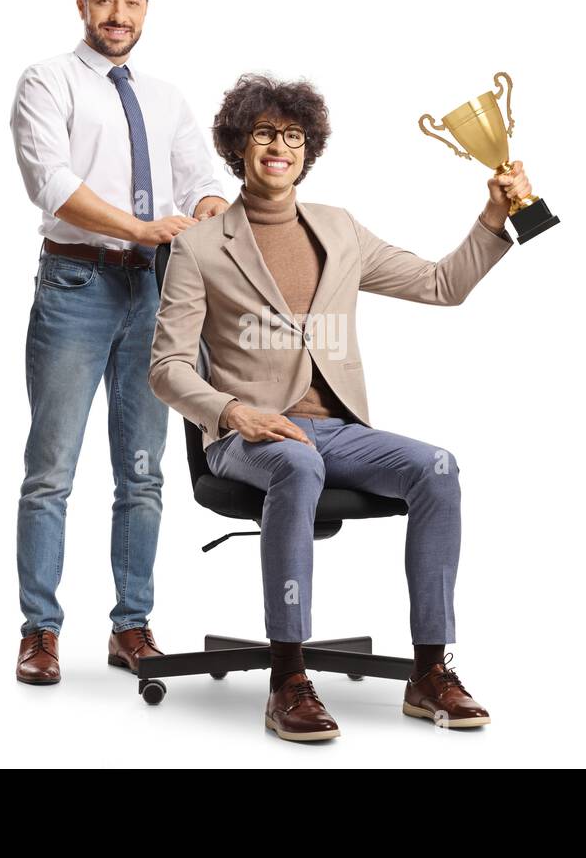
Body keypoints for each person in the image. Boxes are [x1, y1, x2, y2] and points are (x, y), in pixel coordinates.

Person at [149, 74, 532, 740]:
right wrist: (231, 412)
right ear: (240, 146)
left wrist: (495, 216)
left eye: (293, 135)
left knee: (437, 468)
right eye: (266, 132)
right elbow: (168, 367)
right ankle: (288, 677)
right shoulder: (200, 246)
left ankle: (430, 669)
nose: (281, 146)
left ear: (308, 150)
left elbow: (442, 285)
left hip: (336, 430)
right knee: (296, 467)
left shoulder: (339, 229)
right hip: (247, 435)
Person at [8, 0, 228, 685]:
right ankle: (40, 630)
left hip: (156, 297)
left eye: (131, 3)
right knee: (51, 472)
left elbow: (201, 180)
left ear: (145, 9)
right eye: (105, 2)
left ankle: (131, 626)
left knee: (143, 474)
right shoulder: (48, 81)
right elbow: (54, 184)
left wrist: (205, 213)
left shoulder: (164, 97)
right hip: (76, 285)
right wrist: (138, 229)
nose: (119, 17)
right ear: (82, 5)